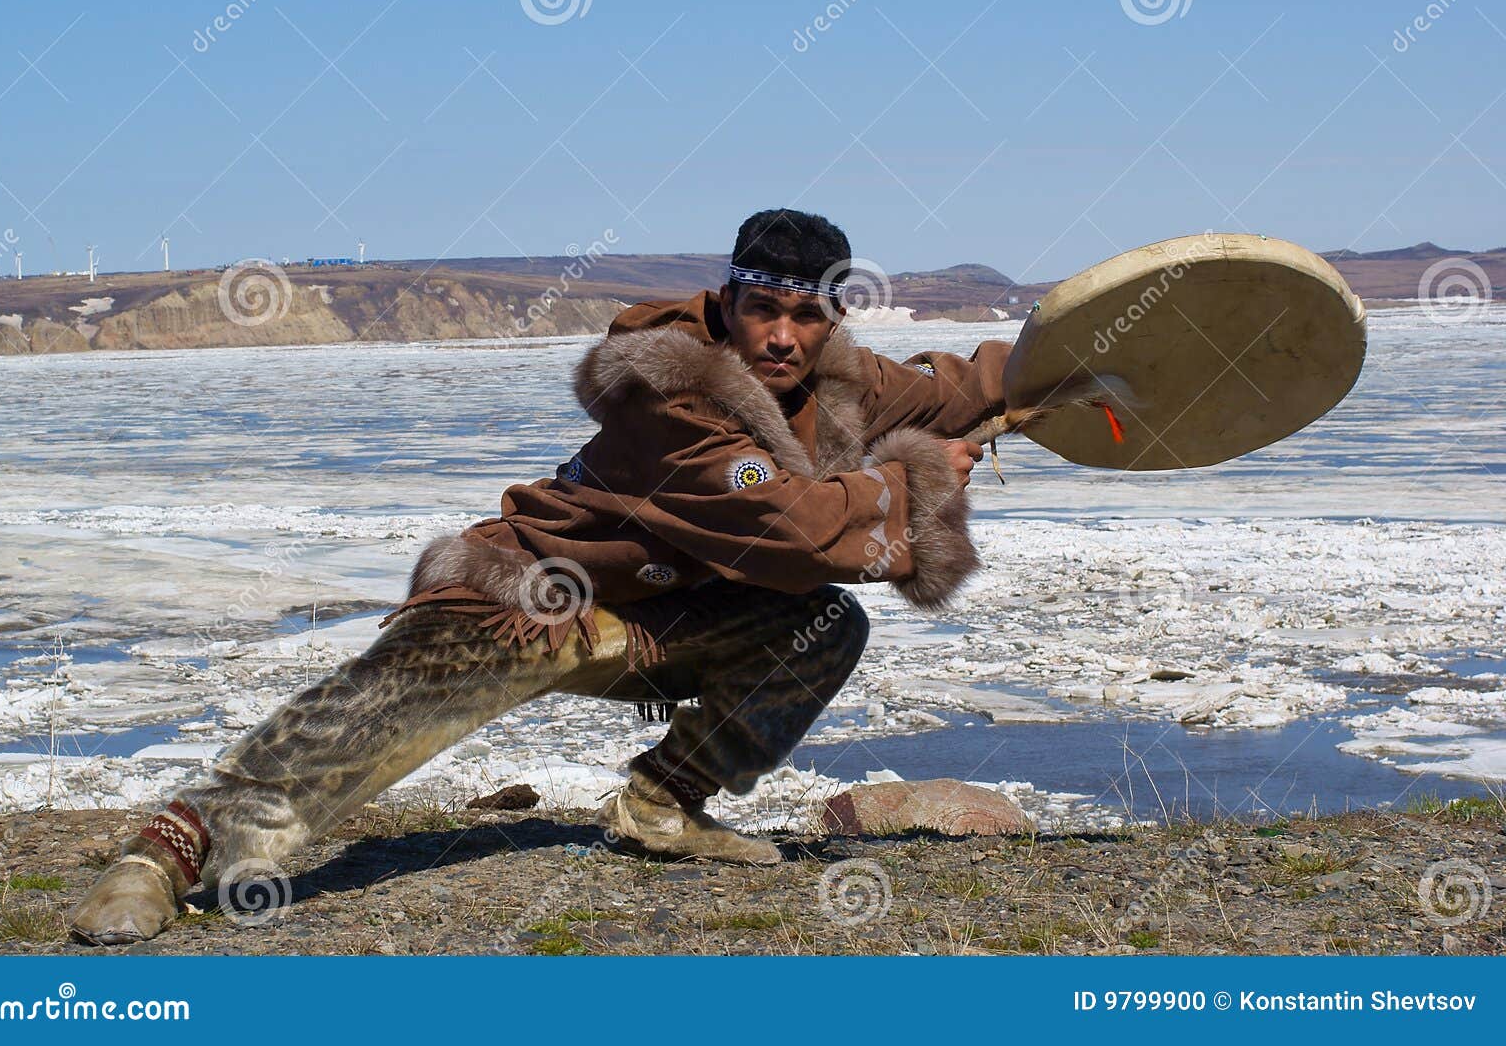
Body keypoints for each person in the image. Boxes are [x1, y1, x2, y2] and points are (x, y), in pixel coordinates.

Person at [67, 207, 1011, 945]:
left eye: (808, 316)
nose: (783, 336)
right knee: (379, 703)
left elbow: (951, 387)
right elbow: (794, 526)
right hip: (533, 592)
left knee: (823, 625)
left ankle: (663, 803)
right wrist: (903, 482)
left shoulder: (831, 380)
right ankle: (170, 849)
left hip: (661, 617)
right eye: (764, 309)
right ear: (727, 305)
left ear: (832, 321)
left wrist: (1073, 359)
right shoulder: (673, 387)